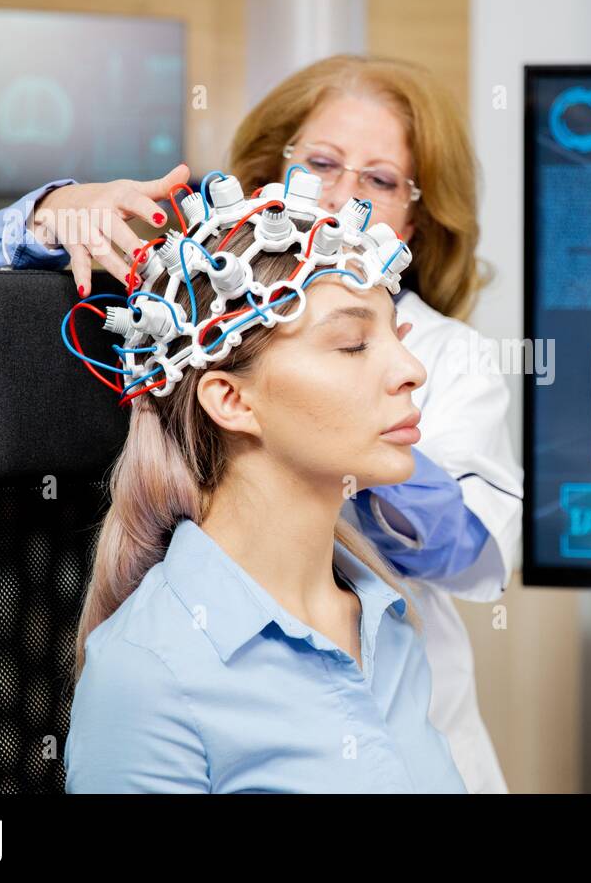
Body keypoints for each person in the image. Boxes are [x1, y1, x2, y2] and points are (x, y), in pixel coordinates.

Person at [0, 54, 522, 793]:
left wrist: (341, 429)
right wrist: (49, 216)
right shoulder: (158, 677)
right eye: (320, 163)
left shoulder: (389, 628)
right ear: (264, 180)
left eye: (380, 179)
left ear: (415, 214)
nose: (343, 193)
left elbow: (471, 553)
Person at [63, 208, 465, 792]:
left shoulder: (390, 624)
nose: (412, 370)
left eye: (396, 338)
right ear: (231, 400)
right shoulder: (149, 672)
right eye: (354, 345)